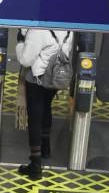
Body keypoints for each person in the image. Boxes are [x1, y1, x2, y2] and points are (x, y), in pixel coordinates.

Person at [15, 28, 74, 179]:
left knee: (35, 118)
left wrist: (21, 43)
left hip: (38, 79)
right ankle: (46, 148)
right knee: (46, 107)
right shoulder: (68, 29)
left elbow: (25, 60)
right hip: (56, 78)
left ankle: (35, 165)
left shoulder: (37, 31)